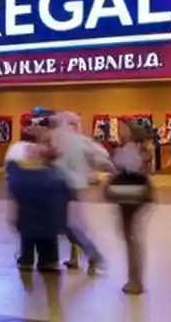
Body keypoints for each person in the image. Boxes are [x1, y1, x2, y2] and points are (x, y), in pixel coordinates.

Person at [7, 123, 69, 273]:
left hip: (26, 199)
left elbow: (11, 178)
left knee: (28, 231)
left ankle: (27, 259)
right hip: (46, 200)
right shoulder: (45, 158)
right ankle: (48, 260)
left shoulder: (16, 151)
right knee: (47, 231)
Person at [51, 111, 108, 273]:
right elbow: (101, 155)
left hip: (61, 185)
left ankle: (91, 255)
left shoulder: (58, 138)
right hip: (74, 185)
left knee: (67, 225)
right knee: (69, 224)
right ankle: (85, 256)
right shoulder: (80, 140)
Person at [107, 120, 153, 295]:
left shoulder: (131, 149)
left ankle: (135, 281)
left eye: (122, 128)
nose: (119, 131)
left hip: (130, 196)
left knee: (131, 238)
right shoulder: (138, 149)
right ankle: (134, 279)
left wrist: (117, 156)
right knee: (131, 237)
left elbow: (127, 166)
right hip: (134, 195)